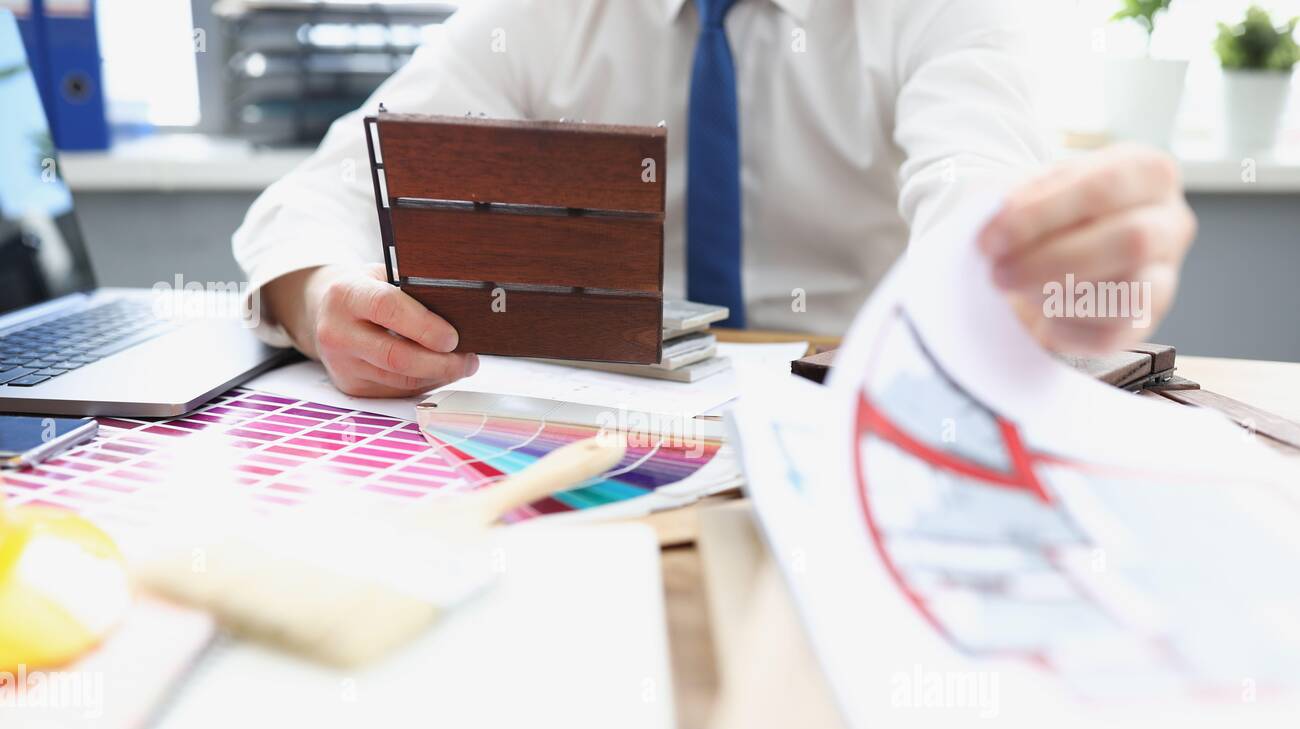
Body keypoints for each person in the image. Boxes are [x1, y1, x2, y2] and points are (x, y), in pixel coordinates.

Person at [234, 0, 1197, 398]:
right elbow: (331, 190)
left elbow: (978, 179)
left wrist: (1016, 271)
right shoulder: (542, 16)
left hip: (844, 421)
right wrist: (318, 298)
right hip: (593, 431)